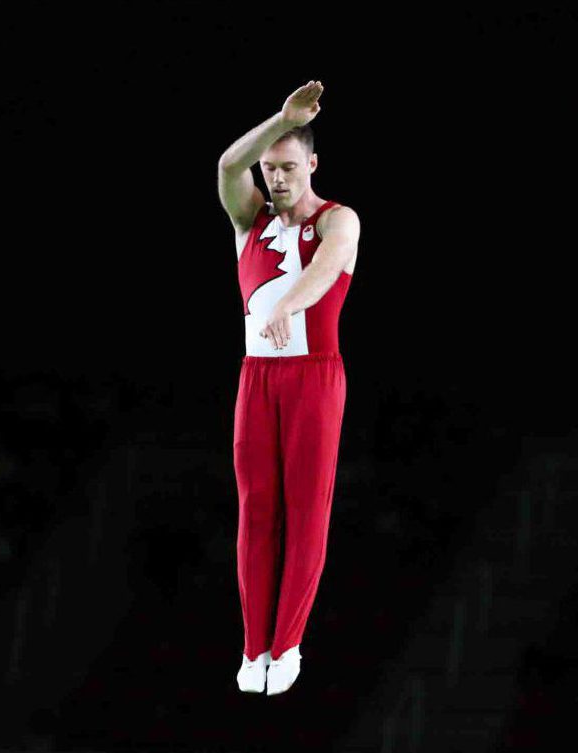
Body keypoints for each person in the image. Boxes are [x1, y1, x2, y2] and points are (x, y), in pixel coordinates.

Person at [216, 80, 361, 695]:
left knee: (307, 512)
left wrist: (289, 308)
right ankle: (254, 651)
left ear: (313, 164)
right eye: (270, 168)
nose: (276, 179)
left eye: (288, 167)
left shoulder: (340, 219)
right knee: (256, 511)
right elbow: (227, 164)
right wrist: (280, 119)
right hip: (257, 379)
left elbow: (330, 266)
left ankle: (289, 644)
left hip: (314, 377)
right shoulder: (247, 219)